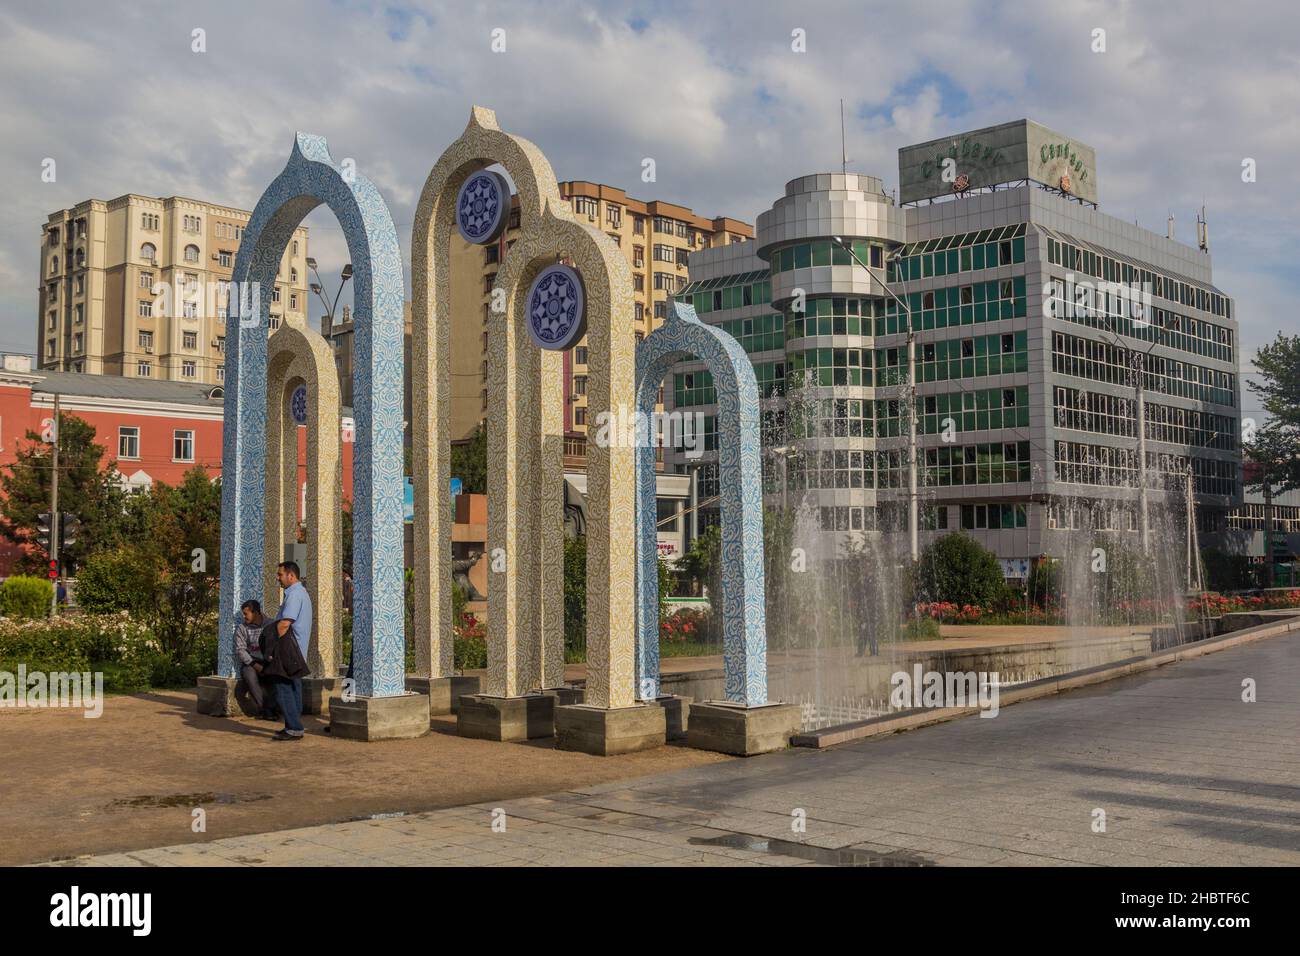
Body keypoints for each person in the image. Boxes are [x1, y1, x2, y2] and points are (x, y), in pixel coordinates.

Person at [266, 561, 313, 741]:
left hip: (288, 650)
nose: (278, 578)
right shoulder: (301, 593)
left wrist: (273, 646)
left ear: (291, 575)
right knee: (294, 686)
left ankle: (293, 727)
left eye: (280, 574)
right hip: (297, 650)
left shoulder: (294, 595)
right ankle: (293, 725)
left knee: (283, 686)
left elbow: (285, 623)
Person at [233, 600, 273, 717]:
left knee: (278, 676)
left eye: (246, 614)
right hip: (251, 662)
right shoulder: (242, 628)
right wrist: (255, 664)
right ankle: (265, 709)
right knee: (249, 675)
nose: (244, 617)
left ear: (255, 612)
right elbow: (240, 650)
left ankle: (275, 707)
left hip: (268, 661)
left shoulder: (270, 624)